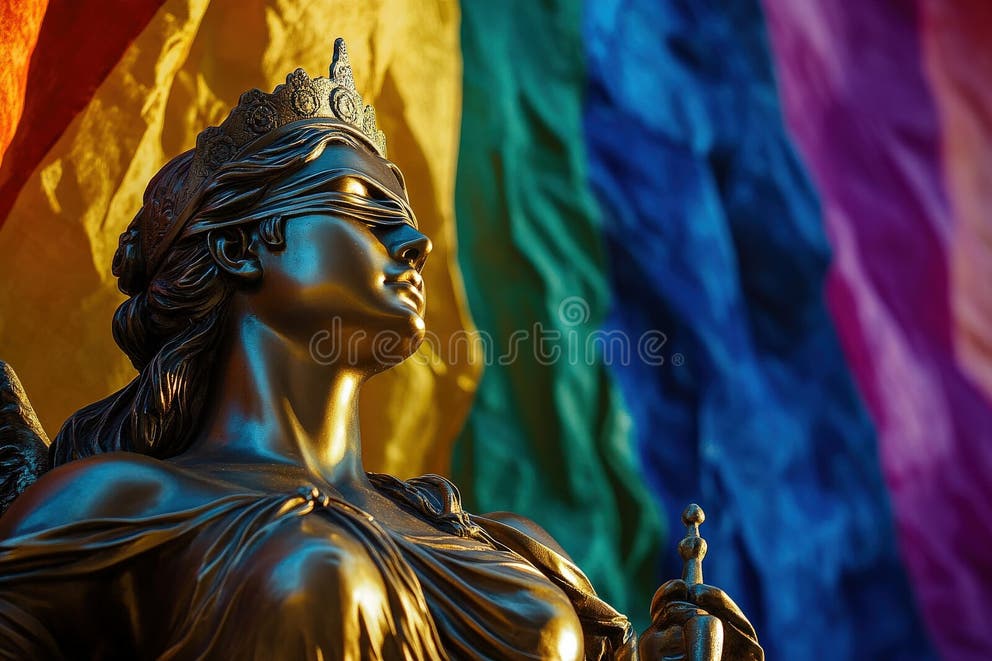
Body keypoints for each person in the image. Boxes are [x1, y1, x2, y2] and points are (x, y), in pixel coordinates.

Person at [0, 39, 761, 660]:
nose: (417, 240)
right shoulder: (112, 510)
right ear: (240, 246)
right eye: (362, 208)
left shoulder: (504, 544)